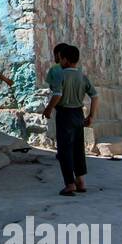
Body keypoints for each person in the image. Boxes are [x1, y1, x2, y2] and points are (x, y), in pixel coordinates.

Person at [42, 44, 96, 196]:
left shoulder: (61, 75)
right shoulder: (82, 76)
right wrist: (91, 115)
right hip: (78, 114)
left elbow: (57, 94)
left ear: (64, 59)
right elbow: (95, 96)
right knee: (78, 149)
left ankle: (69, 184)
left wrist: (48, 108)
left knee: (65, 151)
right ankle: (80, 180)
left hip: (65, 114)